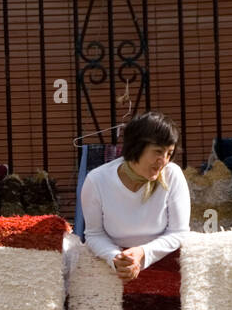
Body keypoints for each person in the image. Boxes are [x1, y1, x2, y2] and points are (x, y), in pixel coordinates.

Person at [78, 111, 189, 282]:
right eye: (158, 151)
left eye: (169, 153)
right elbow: (94, 234)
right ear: (136, 147)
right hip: (113, 273)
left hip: (165, 268)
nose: (164, 160)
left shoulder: (173, 175)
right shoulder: (96, 180)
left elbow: (178, 232)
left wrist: (142, 253)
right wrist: (116, 258)